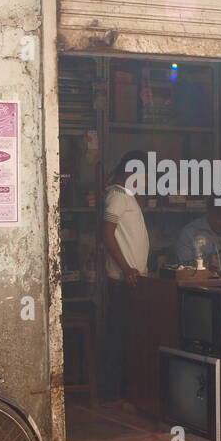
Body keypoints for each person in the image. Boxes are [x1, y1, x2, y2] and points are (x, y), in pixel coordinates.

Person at [100, 150, 150, 407]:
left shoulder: (127, 197)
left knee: (127, 335)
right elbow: (108, 235)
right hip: (123, 280)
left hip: (131, 279)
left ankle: (122, 392)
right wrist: (127, 268)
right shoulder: (118, 196)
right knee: (118, 336)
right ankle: (111, 394)